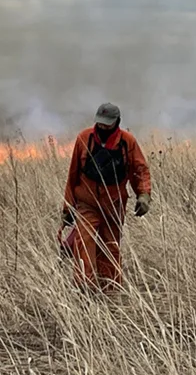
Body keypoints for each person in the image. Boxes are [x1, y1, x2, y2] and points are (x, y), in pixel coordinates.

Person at [60, 102, 151, 292]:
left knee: (110, 247)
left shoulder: (128, 142)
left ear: (117, 122)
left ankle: (110, 290)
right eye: (100, 122)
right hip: (87, 204)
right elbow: (73, 175)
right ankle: (84, 290)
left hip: (114, 205)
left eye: (107, 123)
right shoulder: (84, 138)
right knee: (84, 245)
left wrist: (143, 195)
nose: (103, 126)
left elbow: (139, 170)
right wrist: (68, 208)